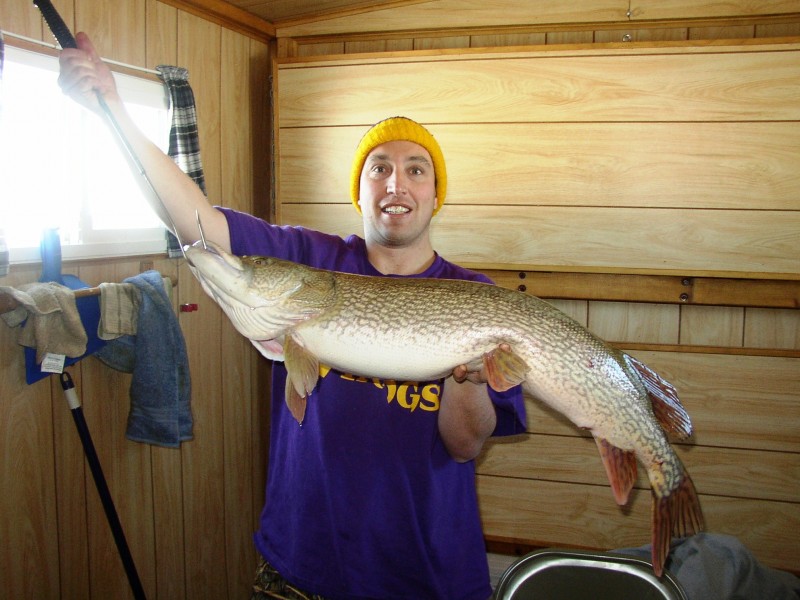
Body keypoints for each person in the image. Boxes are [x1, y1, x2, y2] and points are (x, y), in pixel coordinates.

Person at [59, 33, 526, 600]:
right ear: (359, 190)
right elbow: (198, 224)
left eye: (416, 170)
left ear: (435, 195)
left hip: (424, 576)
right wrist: (113, 110)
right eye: (378, 168)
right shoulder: (309, 260)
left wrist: (472, 380)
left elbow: (462, 445)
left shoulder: (476, 297)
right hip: (302, 565)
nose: (396, 183)